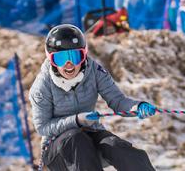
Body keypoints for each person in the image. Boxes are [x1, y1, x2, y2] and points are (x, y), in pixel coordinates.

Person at [29, 24, 156, 171]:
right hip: (56, 149)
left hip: (89, 134)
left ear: (84, 55)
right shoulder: (41, 87)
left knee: (120, 149)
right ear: (51, 60)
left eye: (75, 56)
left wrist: (137, 106)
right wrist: (76, 120)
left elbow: (118, 101)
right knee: (77, 139)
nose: (69, 64)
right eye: (61, 58)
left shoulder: (94, 71)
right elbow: (43, 127)